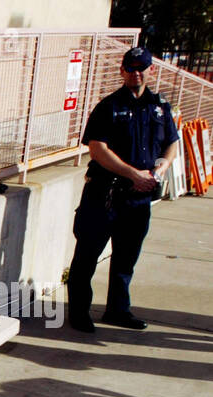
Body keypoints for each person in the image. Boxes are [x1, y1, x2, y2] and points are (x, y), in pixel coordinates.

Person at [66, 46, 179, 333]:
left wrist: (160, 168)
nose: (135, 73)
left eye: (141, 67)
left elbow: (171, 142)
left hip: (138, 199)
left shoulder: (160, 106)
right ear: (122, 71)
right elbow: (97, 149)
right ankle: (79, 313)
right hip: (105, 195)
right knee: (87, 256)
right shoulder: (109, 106)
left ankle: (118, 310)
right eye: (130, 68)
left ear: (151, 70)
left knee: (126, 259)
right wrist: (133, 174)